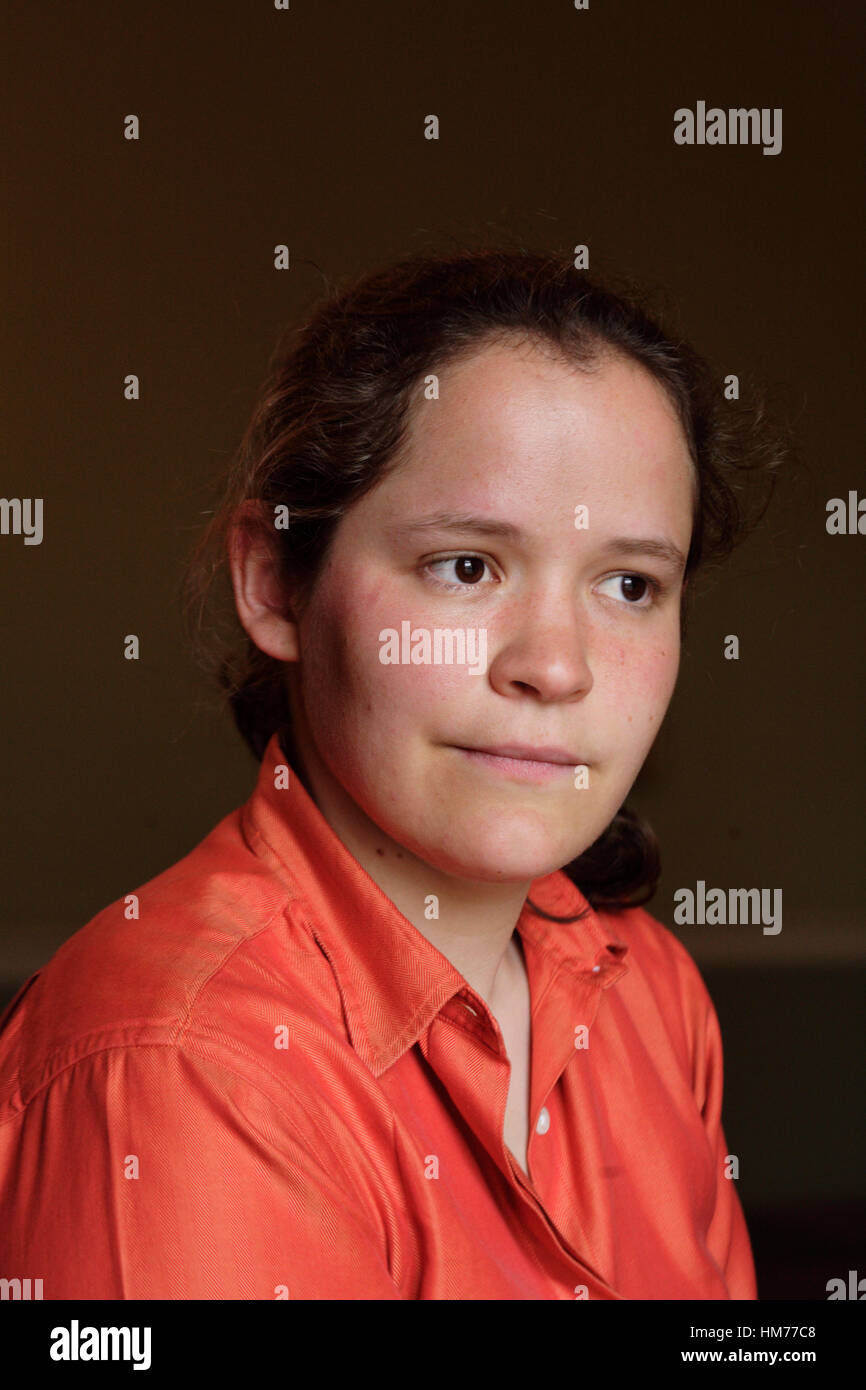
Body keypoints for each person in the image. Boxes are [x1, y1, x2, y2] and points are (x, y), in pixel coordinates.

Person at [0, 247, 785, 1299]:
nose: (556, 667)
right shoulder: (176, 1067)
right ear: (274, 583)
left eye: (630, 586)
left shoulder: (649, 989)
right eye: (465, 566)